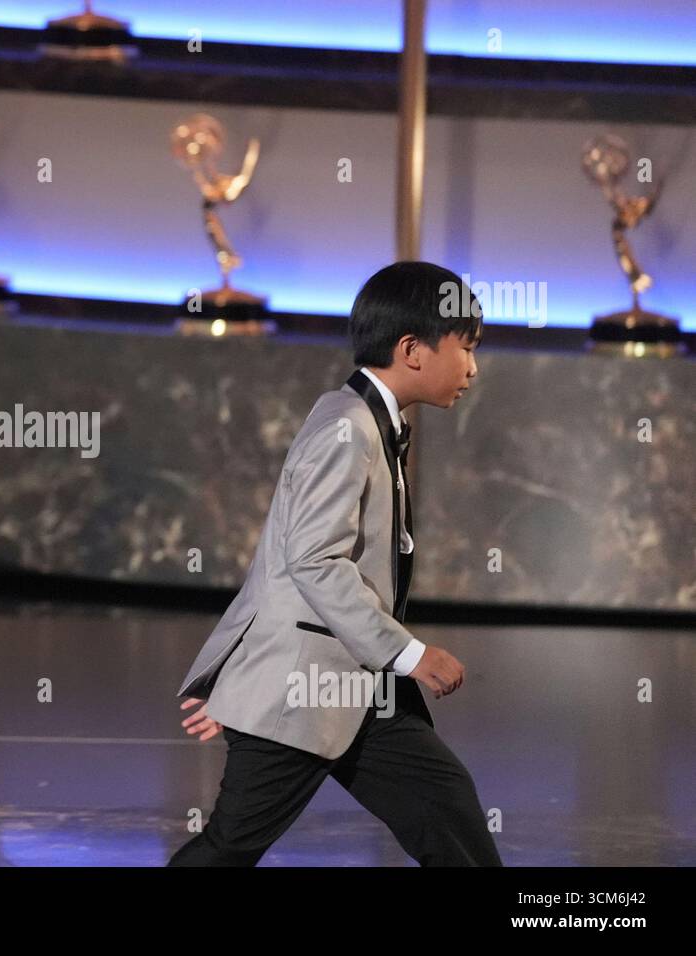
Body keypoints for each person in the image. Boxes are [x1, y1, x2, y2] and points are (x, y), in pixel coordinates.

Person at [169, 261, 499, 867]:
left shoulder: (365, 421)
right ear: (412, 350)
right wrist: (411, 654)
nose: (474, 368)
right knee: (228, 850)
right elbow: (313, 561)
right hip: (304, 692)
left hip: (355, 691)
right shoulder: (348, 429)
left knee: (445, 806)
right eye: (466, 348)